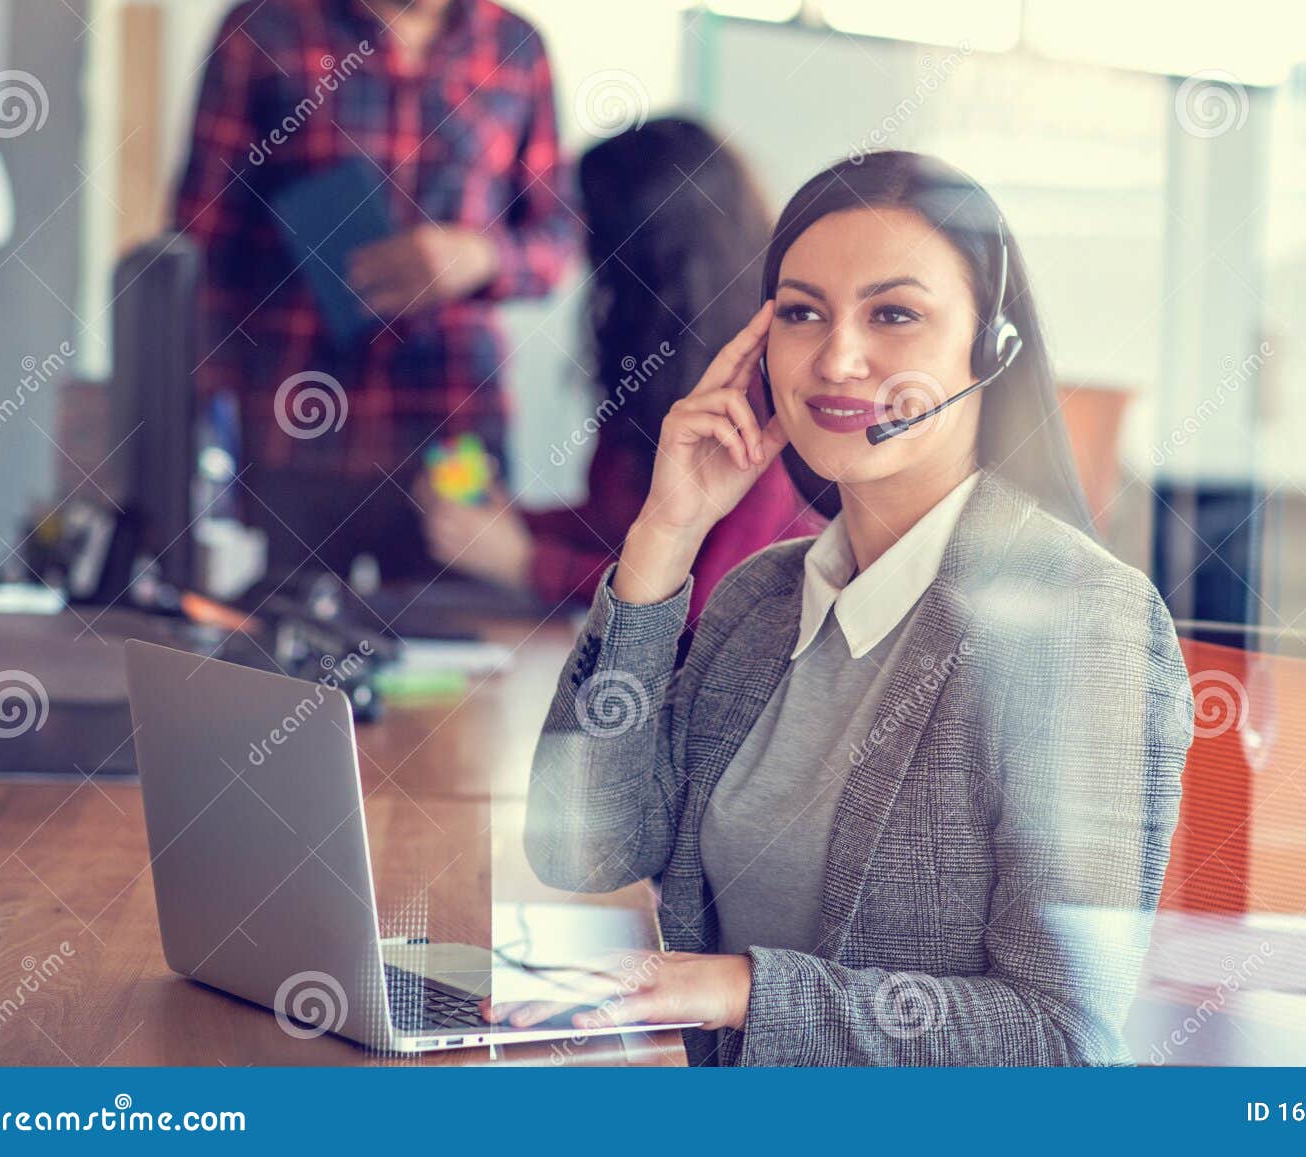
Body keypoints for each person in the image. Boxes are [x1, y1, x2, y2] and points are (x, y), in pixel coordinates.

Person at [505, 151, 1196, 1066]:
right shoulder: (763, 597)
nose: (836, 358)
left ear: (991, 349)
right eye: (801, 313)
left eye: (894, 314)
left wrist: (740, 990)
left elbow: (1062, 1039)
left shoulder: (1080, 624)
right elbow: (581, 845)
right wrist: (664, 538)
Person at [174, 0, 574, 583]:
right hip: (293, 430)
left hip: (454, 435)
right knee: (275, 634)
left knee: (460, 634)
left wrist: (482, 257)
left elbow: (559, 236)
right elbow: (200, 243)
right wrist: (202, 423)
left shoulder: (517, 47)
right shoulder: (263, 29)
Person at [420, 118, 820, 622]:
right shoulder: (656, 366)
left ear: (647, 258)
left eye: (597, 242)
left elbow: (704, 605)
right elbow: (622, 530)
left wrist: (525, 562)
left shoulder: (764, 391)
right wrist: (503, 525)